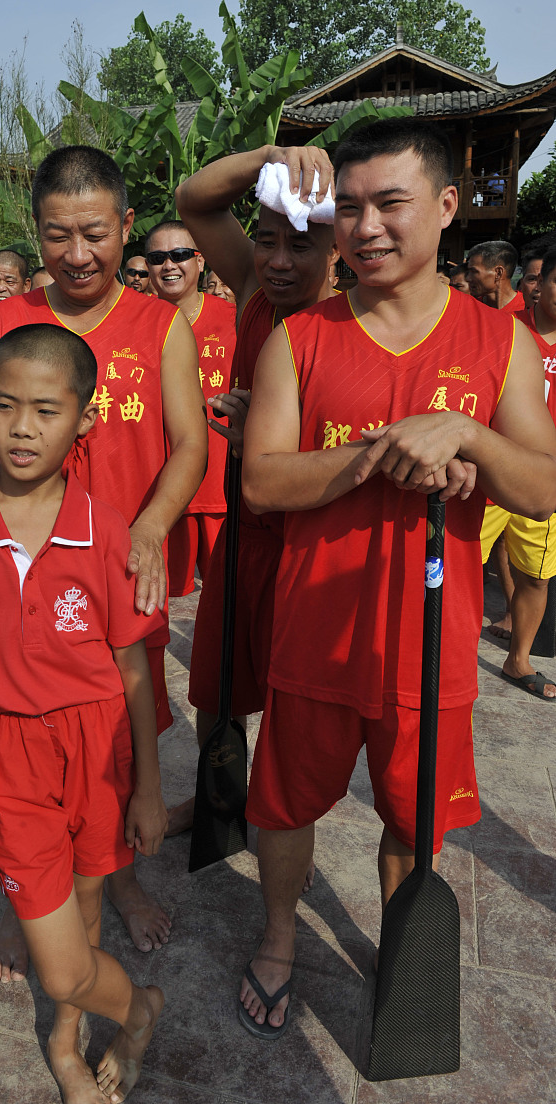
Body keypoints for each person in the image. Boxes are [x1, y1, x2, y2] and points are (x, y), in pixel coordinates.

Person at [239, 118, 556, 1038]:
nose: (366, 228)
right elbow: (261, 481)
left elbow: (539, 489)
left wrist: (465, 434)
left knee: (413, 821)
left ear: (447, 208)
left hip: (434, 643)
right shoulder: (299, 339)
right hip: (315, 632)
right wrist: (381, 455)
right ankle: (278, 936)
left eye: (390, 205)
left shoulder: (501, 345)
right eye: (349, 208)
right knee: (287, 802)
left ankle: (398, 944)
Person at [0, 144, 207, 975]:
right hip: (17, 571)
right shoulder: (0, 324)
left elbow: (191, 445)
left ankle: (115, 881)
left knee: (118, 739)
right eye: (58, 235)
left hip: (118, 574)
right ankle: (36, 897)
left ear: (125, 226)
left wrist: (152, 525)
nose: (77, 254)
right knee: (22, 735)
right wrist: (24, 423)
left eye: (94, 232)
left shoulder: (162, 325)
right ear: (37, 232)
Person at [0, 324, 164, 1104]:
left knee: (87, 908)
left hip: (97, 747)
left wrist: (149, 788)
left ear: (85, 419)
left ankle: (64, 1039)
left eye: (47, 410)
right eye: (5, 406)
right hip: (2, 752)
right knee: (60, 958)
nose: (22, 428)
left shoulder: (107, 531)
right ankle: (142, 1010)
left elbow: (132, 671)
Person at [168, 142, 337, 836]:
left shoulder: (355, 321)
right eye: (265, 241)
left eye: (302, 245)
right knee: (217, 681)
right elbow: (194, 200)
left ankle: (280, 828)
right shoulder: (254, 299)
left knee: (297, 701)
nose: (278, 261)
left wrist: (262, 443)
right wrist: (272, 154)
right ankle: (219, 800)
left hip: (314, 542)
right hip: (246, 531)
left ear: (340, 248)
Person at [479, 243, 556, 695]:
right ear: (538, 283)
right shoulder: (503, 331)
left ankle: (519, 660)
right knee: (455, 565)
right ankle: (440, 650)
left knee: (536, 574)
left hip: (543, 484)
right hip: (491, 473)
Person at [145, 219, 236, 596]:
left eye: (180, 254)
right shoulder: (135, 321)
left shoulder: (235, 318)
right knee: (158, 602)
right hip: (161, 494)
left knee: (227, 603)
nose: (169, 265)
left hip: (223, 489)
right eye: (158, 257)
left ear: (200, 261)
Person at [466, 240, 524, 312]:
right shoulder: (469, 309)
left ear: (498, 273)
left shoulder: (528, 308)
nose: (468, 278)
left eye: (474, 272)